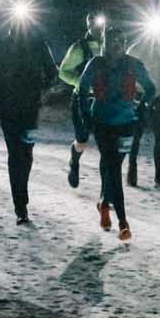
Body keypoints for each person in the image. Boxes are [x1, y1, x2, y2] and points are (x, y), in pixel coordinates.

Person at [75, 29, 156, 241]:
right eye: (112, 42)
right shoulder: (95, 64)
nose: (115, 46)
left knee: (111, 165)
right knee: (113, 167)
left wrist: (141, 107)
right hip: (102, 123)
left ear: (125, 44)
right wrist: (85, 115)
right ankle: (123, 222)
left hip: (126, 124)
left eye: (120, 42)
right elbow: (81, 90)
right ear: (105, 43)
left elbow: (151, 88)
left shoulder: (133, 64)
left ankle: (103, 202)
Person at [0, 6, 58, 225]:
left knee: (23, 154)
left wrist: (40, 88)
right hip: (14, 109)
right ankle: (20, 204)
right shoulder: (1, 45)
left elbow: (52, 73)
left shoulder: (36, 45)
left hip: (26, 109)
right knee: (18, 154)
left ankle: (21, 202)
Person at [126, 10, 160, 191]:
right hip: (138, 97)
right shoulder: (135, 49)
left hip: (156, 97)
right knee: (136, 136)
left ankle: (158, 176)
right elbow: (126, 76)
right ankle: (132, 170)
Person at [58, 12, 108, 187]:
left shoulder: (110, 46)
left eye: (101, 24)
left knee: (108, 144)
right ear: (88, 25)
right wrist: (80, 82)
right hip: (84, 100)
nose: (99, 28)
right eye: (95, 24)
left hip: (105, 101)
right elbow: (63, 71)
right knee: (82, 140)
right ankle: (75, 162)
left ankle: (107, 187)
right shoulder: (80, 48)